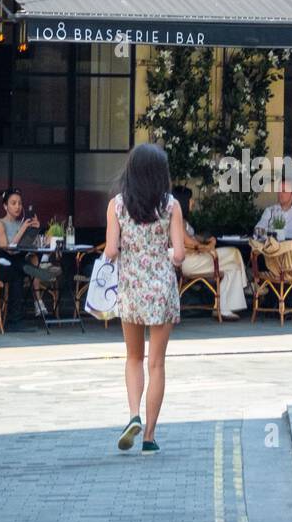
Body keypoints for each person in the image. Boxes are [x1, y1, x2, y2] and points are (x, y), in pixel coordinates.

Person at [104, 143, 185, 455]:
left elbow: (112, 250)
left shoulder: (117, 205)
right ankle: (149, 437)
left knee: (133, 358)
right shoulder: (171, 207)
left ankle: (133, 415)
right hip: (162, 290)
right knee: (157, 364)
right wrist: (160, 253)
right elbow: (179, 256)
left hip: (131, 288)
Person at [173, 186, 250, 320]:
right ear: (184, 201)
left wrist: (206, 239)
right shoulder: (176, 219)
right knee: (233, 252)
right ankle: (247, 286)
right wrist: (208, 246)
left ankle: (224, 308)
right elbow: (189, 243)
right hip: (189, 261)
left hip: (195, 258)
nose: (193, 202)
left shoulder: (183, 220)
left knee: (233, 267)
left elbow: (194, 237)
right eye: (191, 199)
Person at [0, 188, 62, 319]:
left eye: (19, 203)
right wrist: (23, 229)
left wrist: (35, 230)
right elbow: (6, 248)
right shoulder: (0, 223)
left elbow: (30, 245)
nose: (17, 206)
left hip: (22, 258)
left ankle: (38, 299)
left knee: (34, 257)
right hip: (6, 261)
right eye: (13, 203)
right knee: (26, 265)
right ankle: (38, 298)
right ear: (5, 206)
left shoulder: (22, 223)